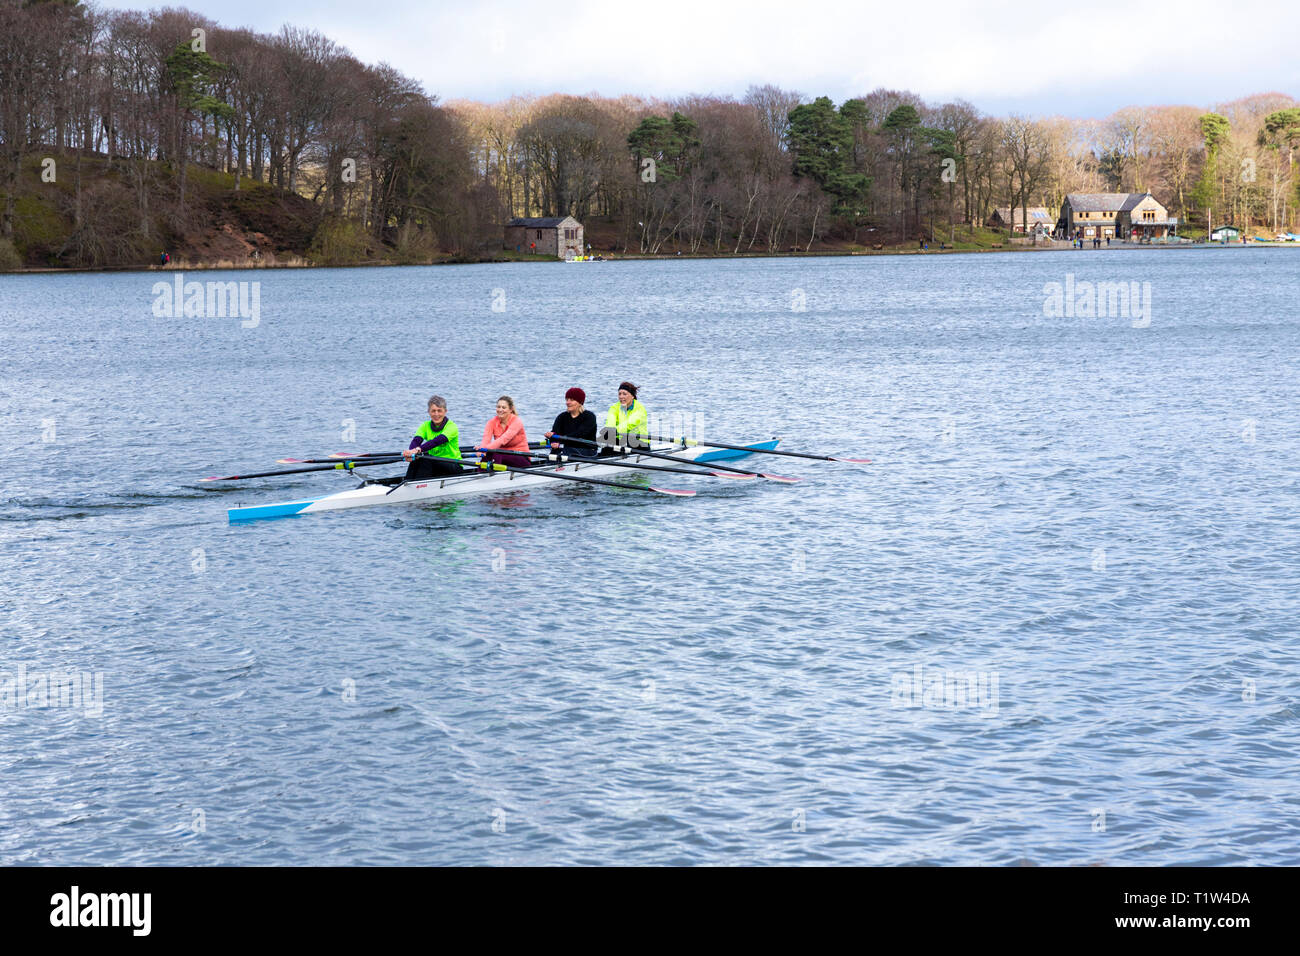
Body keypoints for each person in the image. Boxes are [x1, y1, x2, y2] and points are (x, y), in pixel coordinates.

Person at [399, 395, 464, 480]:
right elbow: (416, 441)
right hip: (435, 464)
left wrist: (417, 450)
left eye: (439, 411)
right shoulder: (425, 426)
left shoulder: (452, 427)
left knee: (426, 459)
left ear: (445, 411)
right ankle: (408, 482)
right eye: (433, 411)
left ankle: (416, 487)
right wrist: (411, 452)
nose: (436, 414)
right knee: (418, 458)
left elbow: (437, 441)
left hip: (453, 464)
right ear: (429, 412)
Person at [478, 395, 532, 469]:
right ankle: (480, 474)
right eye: (498, 407)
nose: (500, 410)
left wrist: (484, 449)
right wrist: (482, 449)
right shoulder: (491, 422)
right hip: (500, 457)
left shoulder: (517, 421)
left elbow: (502, 440)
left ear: (511, 409)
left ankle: (493, 477)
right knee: (489, 455)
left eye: (504, 407)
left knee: (496, 453)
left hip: (521, 457)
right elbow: (485, 440)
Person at [545, 387, 598, 458]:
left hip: (588, 450)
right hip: (567, 450)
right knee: (553, 454)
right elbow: (555, 433)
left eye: (572, 400)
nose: (568, 402)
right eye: (567, 399)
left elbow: (579, 434)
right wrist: (553, 440)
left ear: (580, 402)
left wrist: (559, 438)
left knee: (567, 451)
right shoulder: (562, 417)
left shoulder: (589, 417)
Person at [600, 381, 649, 453]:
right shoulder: (614, 408)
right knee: (606, 448)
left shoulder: (640, 409)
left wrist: (615, 431)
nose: (621, 397)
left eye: (624, 394)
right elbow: (610, 422)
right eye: (619, 394)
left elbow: (630, 423)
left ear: (632, 396)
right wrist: (609, 431)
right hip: (622, 440)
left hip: (639, 441)